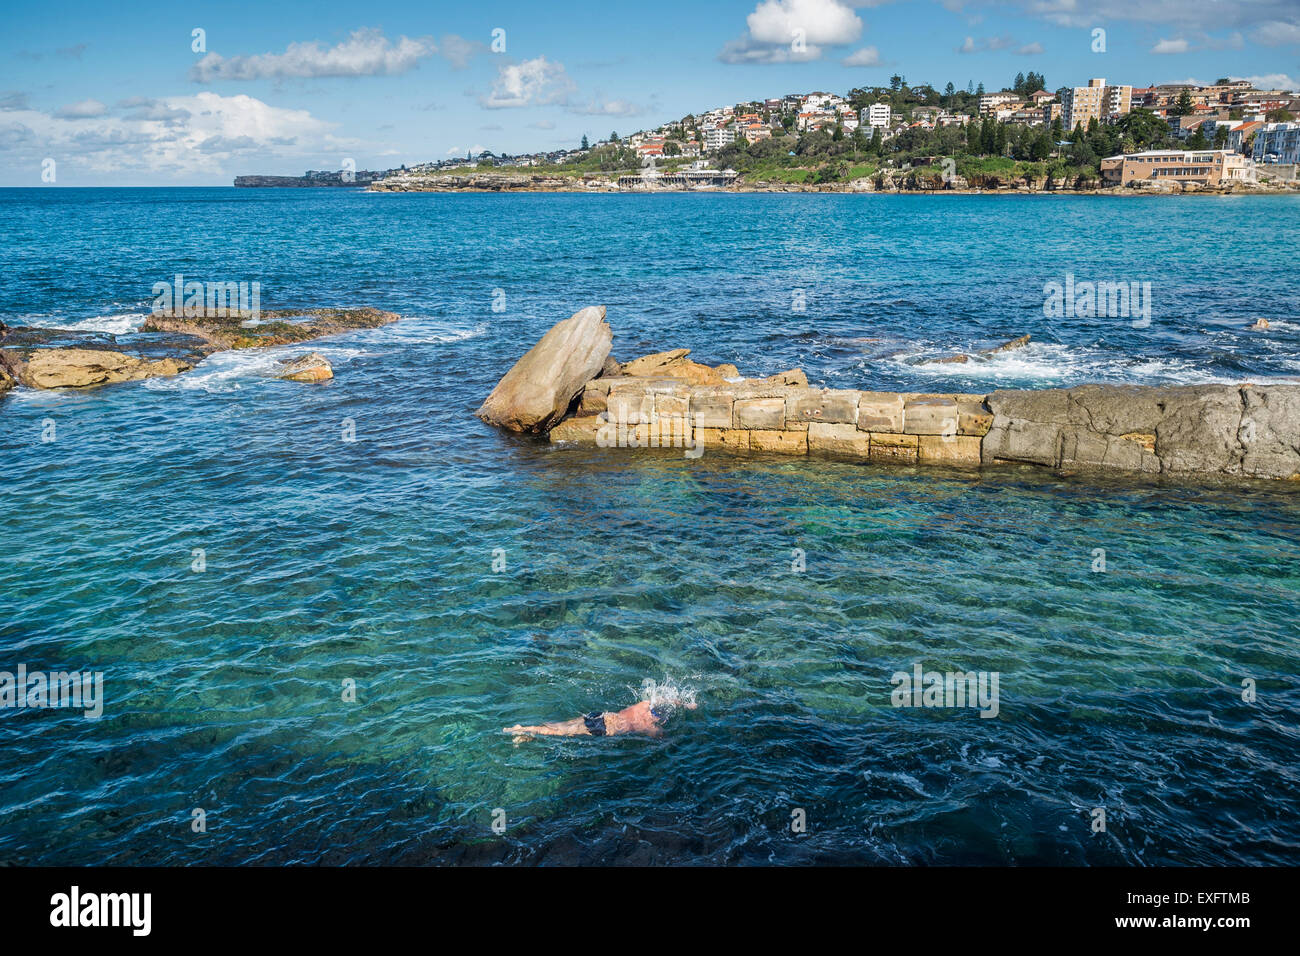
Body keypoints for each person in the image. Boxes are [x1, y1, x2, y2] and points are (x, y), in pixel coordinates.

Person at [504, 698, 695, 740]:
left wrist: (683, 703)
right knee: (562, 733)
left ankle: (530, 732)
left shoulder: (644, 704)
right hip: (604, 729)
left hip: (601, 715)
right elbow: (661, 737)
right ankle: (522, 729)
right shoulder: (648, 725)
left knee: (566, 725)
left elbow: (665, 698)